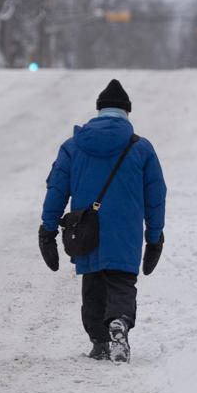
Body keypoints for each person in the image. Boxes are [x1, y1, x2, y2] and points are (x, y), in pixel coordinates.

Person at [38, 79, 167, 363]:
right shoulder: (142, 148)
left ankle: (99, 341)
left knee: (93, 283)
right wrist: (154, 237)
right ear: (127, 113)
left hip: (86, 229)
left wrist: (47, 230)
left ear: (98, 111)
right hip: (126, 232)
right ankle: (119, 322)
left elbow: (56, 190)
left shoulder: (73, 146)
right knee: (121, 282)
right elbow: (156, 195)